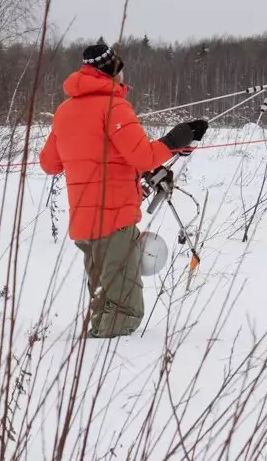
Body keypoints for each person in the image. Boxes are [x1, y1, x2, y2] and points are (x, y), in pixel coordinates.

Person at [37, 40, 207, 338]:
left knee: (104, 302)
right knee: (123, 310)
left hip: (84, 227)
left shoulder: (64, 111)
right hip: (114, 222)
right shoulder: (114, 107)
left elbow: (50, 164)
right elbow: (143, 156)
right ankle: (102, 363)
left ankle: (88, 361)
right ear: (113, 72)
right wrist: (174, 140)